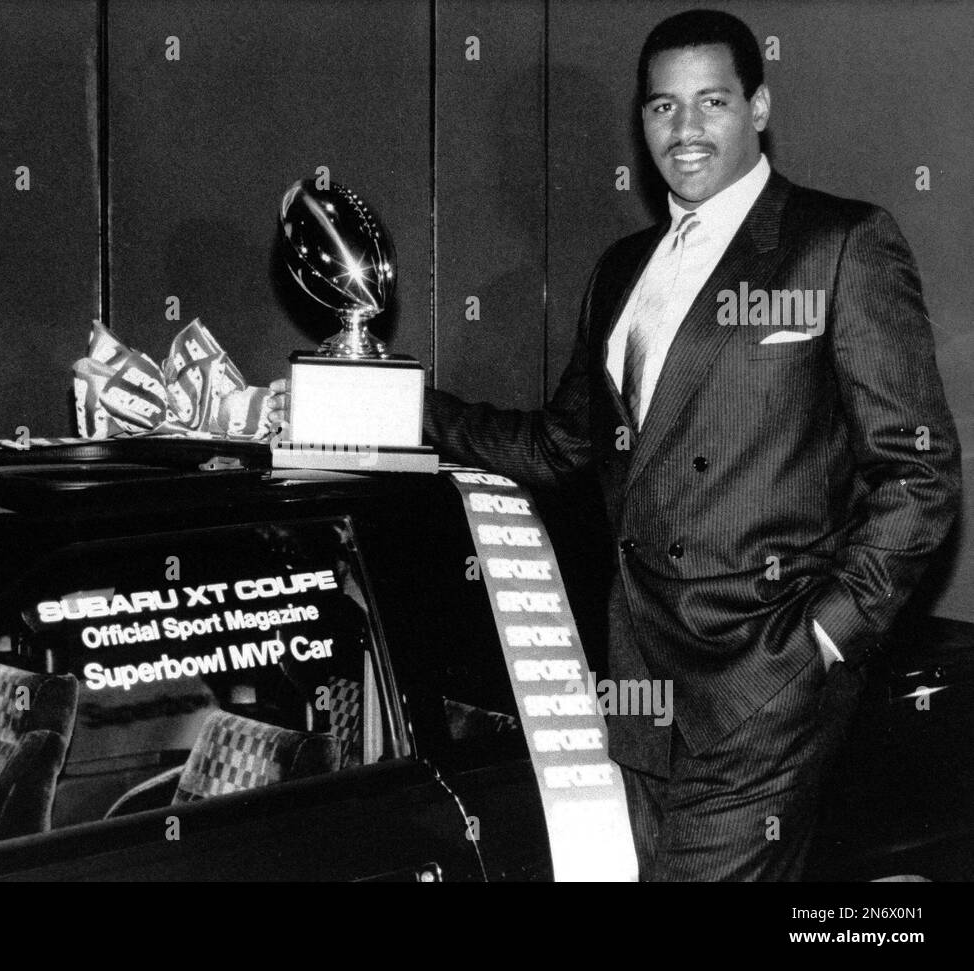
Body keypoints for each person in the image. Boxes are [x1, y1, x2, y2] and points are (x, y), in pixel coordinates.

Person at [268, 8, 962, 880]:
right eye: (663, 108)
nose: (686, 129)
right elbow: (557, 447)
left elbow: (920, 470)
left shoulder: (838, 245)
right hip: (639, 685)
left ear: (759, 107)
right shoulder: (623, 269)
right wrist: (392, 402)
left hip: (767, 684)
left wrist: (826, 634)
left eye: (711, 102)